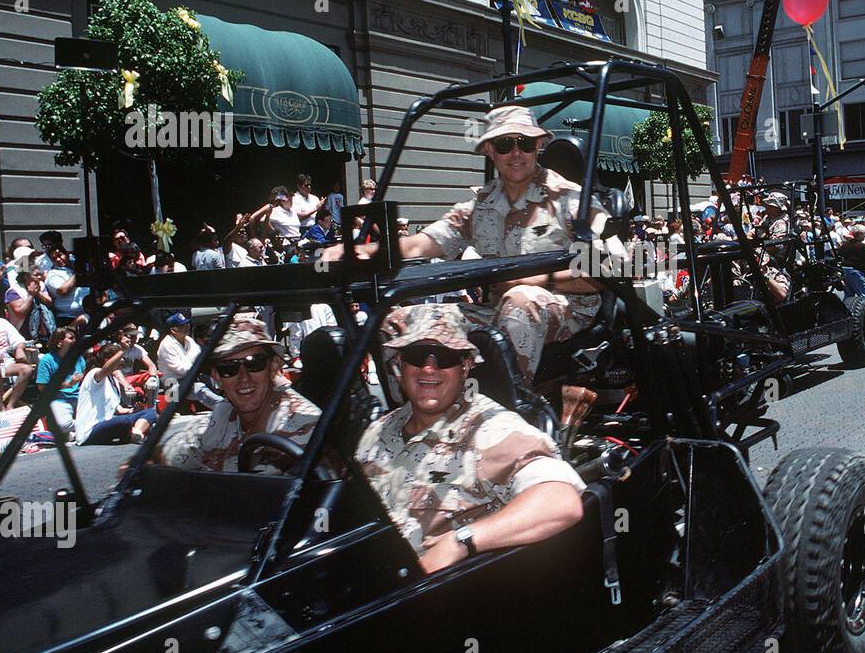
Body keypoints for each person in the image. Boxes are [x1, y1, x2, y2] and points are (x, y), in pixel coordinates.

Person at [347, 106, 607, 380]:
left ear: (538, 146)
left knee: (520, 302)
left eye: (526, 143)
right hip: (496, 310)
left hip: (568, 309)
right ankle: (411, 416)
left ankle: (508, 414)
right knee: (397, 323)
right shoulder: (480, 205)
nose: (516, 153)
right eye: (505, 145)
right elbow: (421, 244)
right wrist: (358, 251)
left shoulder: (571, 199)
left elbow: (612, 268)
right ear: (490, 151)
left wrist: (530, 281)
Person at [354, 304, 584, 574]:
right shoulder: (378, 431)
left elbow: (560, 502)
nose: (429, 369)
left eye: (444, 357)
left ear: (465, 367)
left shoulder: (491, 430)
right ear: (398, 366)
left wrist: (460, 541)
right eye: (417, 356)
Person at [151, 316, 321, 473]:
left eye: (254, 363)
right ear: (216, 376)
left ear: (274, 367)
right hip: (173, 381)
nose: (243, 378)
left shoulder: (304, 426)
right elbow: (181, 449)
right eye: (228, 367)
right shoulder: (224, 412)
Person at [75, 343, 156, 445]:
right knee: (124, 422)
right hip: (90, 430)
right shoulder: (94, 373)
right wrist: (122, 350)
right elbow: (105, 370)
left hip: (108, 423)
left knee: (150, 412)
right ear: (107, 361)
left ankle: (137, 432)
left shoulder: (114, 382)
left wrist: (132, 410)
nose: (122, 360)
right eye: (119, 358)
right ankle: (132, 432)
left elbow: (117, 409)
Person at [156, 312, 222, 409]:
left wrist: (195, 364)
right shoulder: (166, 345)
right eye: (182, 325)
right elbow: (182, 370)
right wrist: (195, 363)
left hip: (191, 377)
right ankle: (222, 407)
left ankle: (227, 401)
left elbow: (200, 357)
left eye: (187, 324)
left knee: (213, 379)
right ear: (173, 330)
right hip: (172, 384)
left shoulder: (188, 340)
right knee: (198, 387)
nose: (187, 326)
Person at [36, 327, 85, 439]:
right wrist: (67, 384)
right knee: (62, 425)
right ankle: (85, 426)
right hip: (59, 399)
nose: (74, 341)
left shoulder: (78, 358)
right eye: (71, 338)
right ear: (59, 342)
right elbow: (42, 387)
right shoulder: (47, 360)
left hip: (79, 398)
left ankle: (74, 431)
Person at [44, 243, 89, 325]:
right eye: (54, 259)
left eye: (59, 255)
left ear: (67, 255)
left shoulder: (72, 270)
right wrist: (78, 273)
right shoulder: (53, 274)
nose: (58, 259)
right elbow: (63, 290)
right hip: (68, 318)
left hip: (89, 314)